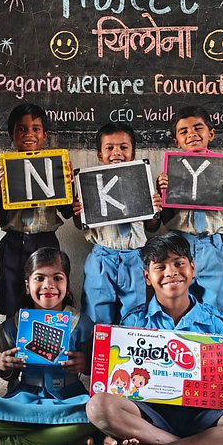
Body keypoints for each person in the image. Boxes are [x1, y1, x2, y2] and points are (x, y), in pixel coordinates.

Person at [85, 232, 223, 445]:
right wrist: (110, 435)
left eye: (179, 263)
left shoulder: (215, 322)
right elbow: (117, 386)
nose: (171, 272)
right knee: (97, 406)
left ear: (192, 269)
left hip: (204, 416)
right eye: (160, 267)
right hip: (150, 417)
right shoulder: (133, 322)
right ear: (147, 277)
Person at [0, 248, 96, 445]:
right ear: (27, 285)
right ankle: (63, 440)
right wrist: (2, 366)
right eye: (39, 278)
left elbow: (95, 370)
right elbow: (10, 375)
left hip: (68, 399)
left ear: (67, 284)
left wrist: (85, 365)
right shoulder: (13, 325)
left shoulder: (82, 324)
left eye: (57, 278)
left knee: (94, 418)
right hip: (26, 399)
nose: (48, 285)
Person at [156, 106, 223, 312]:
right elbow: (165, 219)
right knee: (181, 301)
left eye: (198, 128)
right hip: (179, 244)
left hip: (212, 245)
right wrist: (163, 194)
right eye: (183, 131)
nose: (192, 135)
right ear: (176, 141)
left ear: (210, 133)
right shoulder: (171, 172)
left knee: (216, 301)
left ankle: (215, 340)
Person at [74, 123, 161, 325]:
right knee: (96, 314)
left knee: (134, 315)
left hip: (135, 257)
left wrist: (155, 210)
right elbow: (81, 225)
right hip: (102, 256)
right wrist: (78, 212)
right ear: (99, 154)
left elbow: (152, 227)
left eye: (123, 147)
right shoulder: (88, 184)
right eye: (109, 148)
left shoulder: (143, 181)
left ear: (133, 152)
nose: (117, 153)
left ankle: (126, 355)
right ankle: (97, 356)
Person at [0, 103, 73, 317]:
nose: (29, 134)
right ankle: (13, 346)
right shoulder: (3, 170)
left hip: (45, 241)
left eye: (36, 129)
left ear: (45, 135)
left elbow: (67, 212)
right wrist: (0, 191)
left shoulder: (55, 166)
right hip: (13, 242)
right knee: (12, 297)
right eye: (21, 129)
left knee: (46, 297)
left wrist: (67, 183)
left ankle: (42, 347)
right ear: (12, 134)